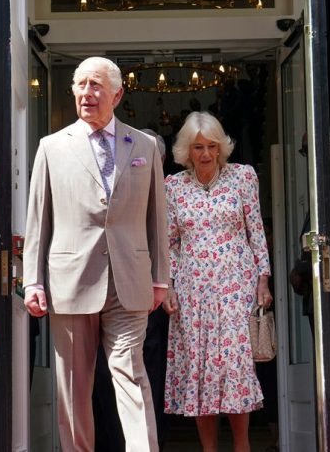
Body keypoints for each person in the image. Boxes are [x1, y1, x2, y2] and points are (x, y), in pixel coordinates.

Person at [23, 56, 169, 452]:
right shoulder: (51, 147)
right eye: (81, 84)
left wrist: (161, 278)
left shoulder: (144, 145)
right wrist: (32, 280)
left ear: (117, 94)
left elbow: (158, 215)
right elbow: (39, 219)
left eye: (96, 85)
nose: (87, 93)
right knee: (73, 386)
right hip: (70, 281)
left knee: (131, 373)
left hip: (131, 280)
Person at [162, 111, 272, 452]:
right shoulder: (173, 186)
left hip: (236, 287)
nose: (206, 154)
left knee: (235, 369)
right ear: (186, 150)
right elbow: (169, 243)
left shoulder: (243, 177)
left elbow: (256, 232)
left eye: (211, 146)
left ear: (221, 146)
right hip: (192, 291)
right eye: (198, 147)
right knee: (199, 372)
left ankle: (242, 446)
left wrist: (263, 281)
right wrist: (167, 285)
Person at [92, 128, 171, 452]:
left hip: (153, 304)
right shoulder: (109, 189)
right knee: (105, 379)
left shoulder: (173, 193)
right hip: (106, 298)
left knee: (149, 381)